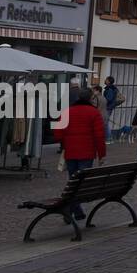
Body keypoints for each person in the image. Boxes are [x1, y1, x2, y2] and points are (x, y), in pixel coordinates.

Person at [52, 87, 106, 223]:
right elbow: (99, 136)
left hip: (71, 152)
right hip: (87, 153)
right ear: (90, 98)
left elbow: (57, 133)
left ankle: (72, 210)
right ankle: (76, 209)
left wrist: (66, 141)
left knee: (73, 180)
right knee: (80, 183)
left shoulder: (68, 111)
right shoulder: (93, 113)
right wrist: (101, 155)